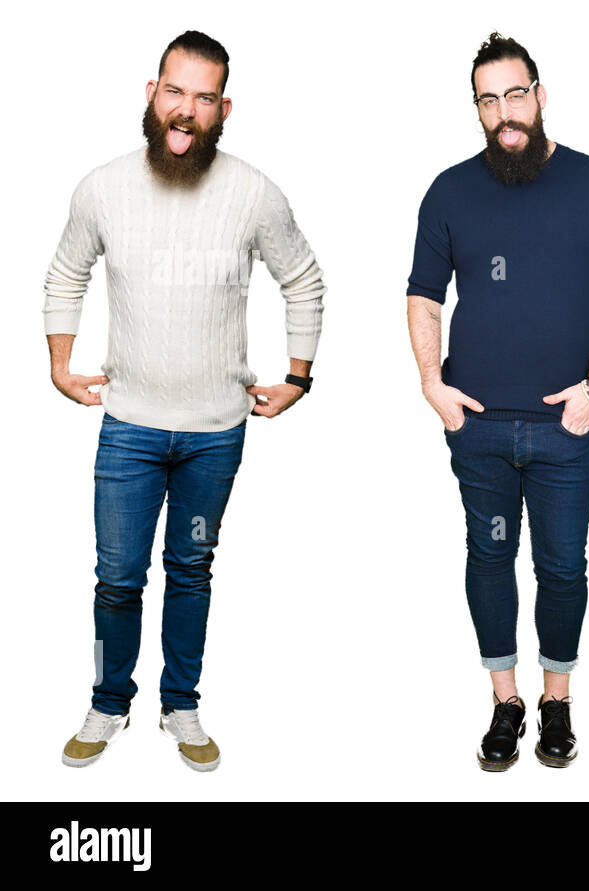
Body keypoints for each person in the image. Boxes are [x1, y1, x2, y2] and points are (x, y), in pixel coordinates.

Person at [48, 30, 326, 771]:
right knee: (116, 578)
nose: (186, 110)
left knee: (192, 570)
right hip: (129, 429)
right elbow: (66, 272)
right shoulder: (103, 188)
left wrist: (298, 377)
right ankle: (108, 702)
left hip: (215, 434)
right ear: (152, 94)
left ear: (223, 109)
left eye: (205, 98)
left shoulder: (253, 193)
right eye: (175, 91)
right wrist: (60, 365)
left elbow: (303, 278)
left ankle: (181, 703)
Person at [406, 33, 589, 771]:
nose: (504, 112)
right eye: (489, 100)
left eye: (515, 95)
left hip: (564, 430)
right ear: (477, 109)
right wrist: (432, 383)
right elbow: (423, 294)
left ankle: (557, 700)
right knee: (489, 556)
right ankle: (505, 700)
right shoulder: (449, 190)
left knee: (563, 567)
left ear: (540, 97)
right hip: (476, 425)